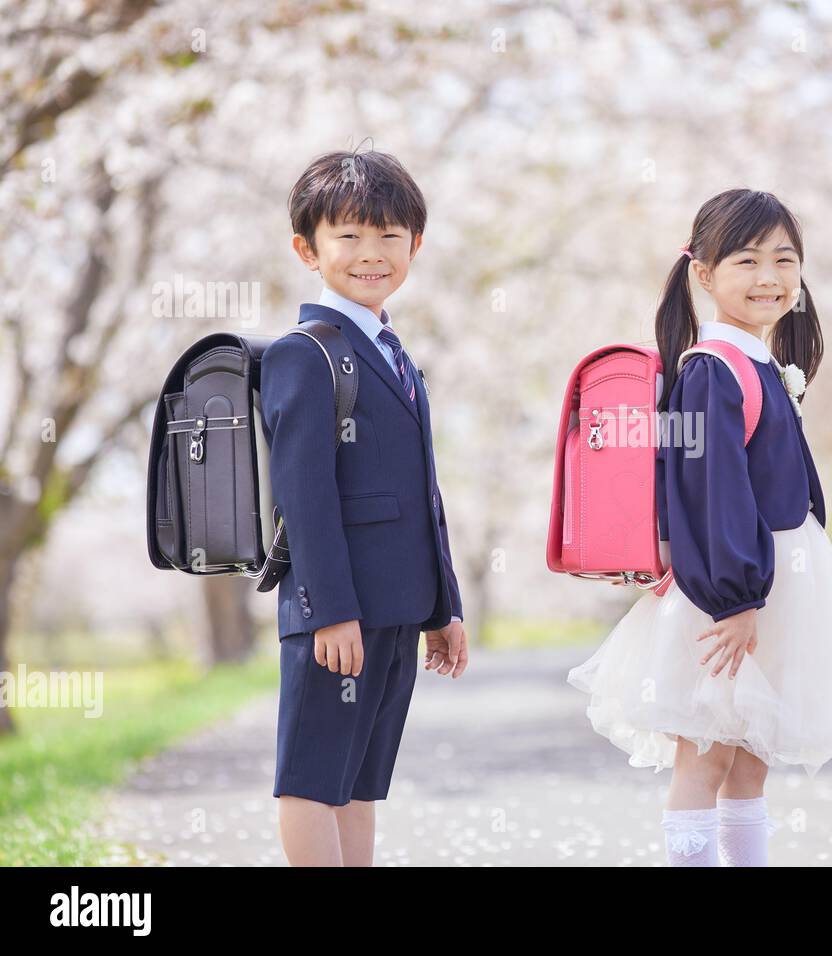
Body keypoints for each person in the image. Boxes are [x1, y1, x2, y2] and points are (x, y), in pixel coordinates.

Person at [567, 188, 832, 867]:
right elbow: (714, 492)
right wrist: (736, 598)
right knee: (705, 759)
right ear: (705, 274)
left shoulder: (758, 363)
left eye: (784, 259)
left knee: (749, 765)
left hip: (776, 587)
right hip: (733, 592)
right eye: (746, 261)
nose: (769, 277)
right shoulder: (712, 369)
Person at [260, 147, 468, 866]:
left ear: (415, 244)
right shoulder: (304, 352)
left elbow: (422, 492)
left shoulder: (392, 351)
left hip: (396, 606)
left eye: (389, 236)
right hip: (338, 613)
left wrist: (442, 606)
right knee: (314, 777)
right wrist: (328, 609)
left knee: (358, 783)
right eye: (348, 236)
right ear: (306, 249)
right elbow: (305, 495)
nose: (371, 254)